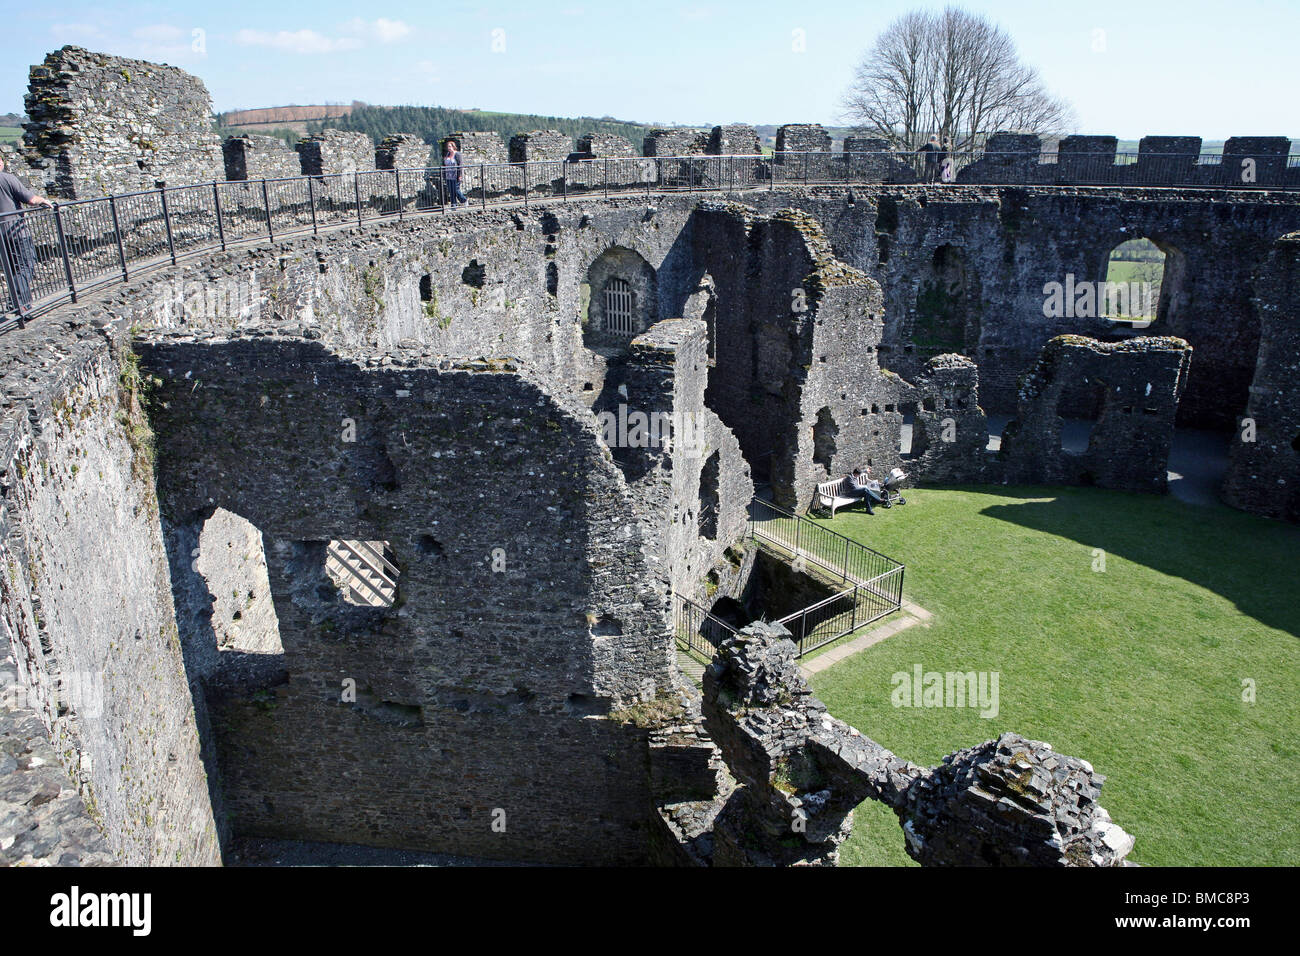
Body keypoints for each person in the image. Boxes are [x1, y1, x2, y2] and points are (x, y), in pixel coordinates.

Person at [0, 153, 54, 319]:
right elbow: (30, 199)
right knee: (25, 266)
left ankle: (21, 303)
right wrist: (43, 200)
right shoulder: (7, 178)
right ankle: (20, 304)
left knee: (11, 269)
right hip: (15, 231)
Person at [442, 141, 467, 206]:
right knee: (451, 191)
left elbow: (460, 165)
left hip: (455, 175)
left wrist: (460, 175)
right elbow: (444, 164)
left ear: (453, 146)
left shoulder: (457, 154)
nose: (449, 148)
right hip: (448, 175)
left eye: (450, 146)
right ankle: (453, 205)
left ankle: (464, 200)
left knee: (456, 190)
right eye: (448, 147)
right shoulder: (447, 154)